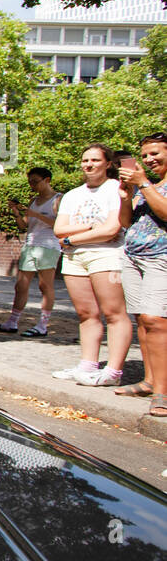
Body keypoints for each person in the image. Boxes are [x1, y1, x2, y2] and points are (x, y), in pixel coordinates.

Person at [50, 143, 131, 385]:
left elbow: (111, 230)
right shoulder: (73, 195)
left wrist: (71, 238)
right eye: (85, 160)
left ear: (108, 163)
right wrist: (90, 227)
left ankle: (113, 371)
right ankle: (87, 364)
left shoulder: (116, 189)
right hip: (75, 258)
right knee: (86, 314)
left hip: (106, 256)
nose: (89, 164)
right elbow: (58, 229)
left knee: (114, 313)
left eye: (95, 160)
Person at [116, 133, 167, 413]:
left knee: (156, 319)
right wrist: (126, 198)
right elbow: (125, 223)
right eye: (145, 155)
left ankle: (163, 391)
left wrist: (144, 184)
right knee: (143, 321)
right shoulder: (146, 187)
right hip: (134, 258)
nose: (149, 160)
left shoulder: (149, 185)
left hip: (161, 258)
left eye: (155, 153)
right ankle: (149, 381)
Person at [0, 167, 62, 337]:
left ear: (47, 180)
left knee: (45, 286)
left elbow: (59, 225)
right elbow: (24, 225)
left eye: (35, 181)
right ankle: (12, 321)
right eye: (30, 182)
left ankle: (43, 324)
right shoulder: (33, 201)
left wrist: (35, 214)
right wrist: (17, 213)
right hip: (30, 244)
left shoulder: (58, 199)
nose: (32, 185)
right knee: (21, 284)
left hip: (48, 246)